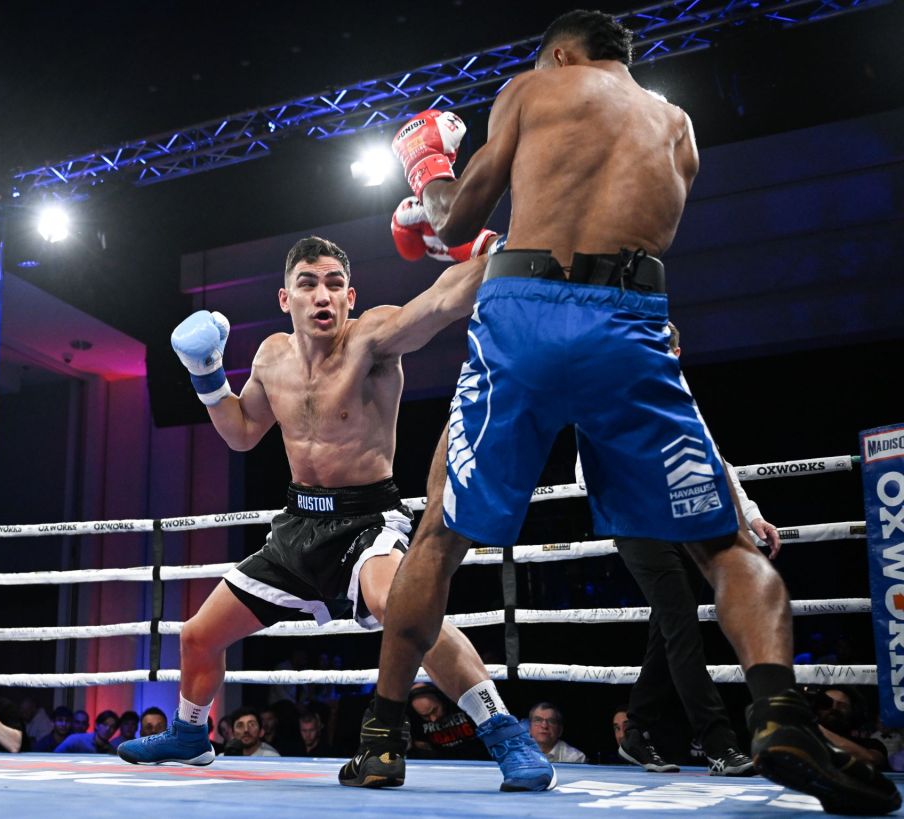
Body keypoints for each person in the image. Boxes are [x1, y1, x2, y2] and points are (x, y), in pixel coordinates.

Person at [354, 9, 900, 813]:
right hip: (632, 323)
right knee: (721, 541)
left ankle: (381, 736)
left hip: (524, 318)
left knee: (441, 531)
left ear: (562, 53)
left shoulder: (534, 88)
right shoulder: (678, 129)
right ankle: (780, 712)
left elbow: (456, 220)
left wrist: (429, 167)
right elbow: (620, 227)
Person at [118, 236, 554, 792]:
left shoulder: (373, 338)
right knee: (199, 635)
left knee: (403, 610)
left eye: (332, 285)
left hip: (368, 520)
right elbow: (242, 433)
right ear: (285, 298)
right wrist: (206, 377)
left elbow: (443, 301)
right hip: (297, 526)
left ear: (351, 296)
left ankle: (505, 733)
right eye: (308, 284)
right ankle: (190, 733)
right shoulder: (271, 357)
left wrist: (499, 250)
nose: (321, 296)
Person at [578, 323, 772, 777]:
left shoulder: (679, 394)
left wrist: (750, 513)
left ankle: (637, 730)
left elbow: (712, 456)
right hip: (636, 522)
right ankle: (719, 743)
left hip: (681, 520)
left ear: (676, 352)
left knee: (667, 628)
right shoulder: (611, 390)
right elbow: (585, 472)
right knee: (682, 625)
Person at [407, 683, 486, 761]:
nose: (433, 719)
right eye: (425, 716)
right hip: (442, 766)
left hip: (480, 760)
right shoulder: (414, 721)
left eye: (434, 710)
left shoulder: (464, 704)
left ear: (441, 698)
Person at [54, 709, 118, 754]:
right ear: (97, 725)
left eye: (112, 727)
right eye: (105, 724)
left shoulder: (112, 751)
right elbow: (55, 755)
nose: (108, 729)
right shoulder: (76, 739)